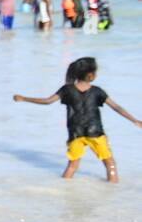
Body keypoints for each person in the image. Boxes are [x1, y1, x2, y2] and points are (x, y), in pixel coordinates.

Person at [13, 57, 141, 183]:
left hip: (75, 133)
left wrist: (24, 98)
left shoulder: (67, 89)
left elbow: (47, 101)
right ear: (91, 75)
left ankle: (63, 189)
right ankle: (113, 190)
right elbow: (116, 107)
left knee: (73, 165)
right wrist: (134, 120)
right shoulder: (97, 91)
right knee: (110, 164)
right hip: (95, 132)